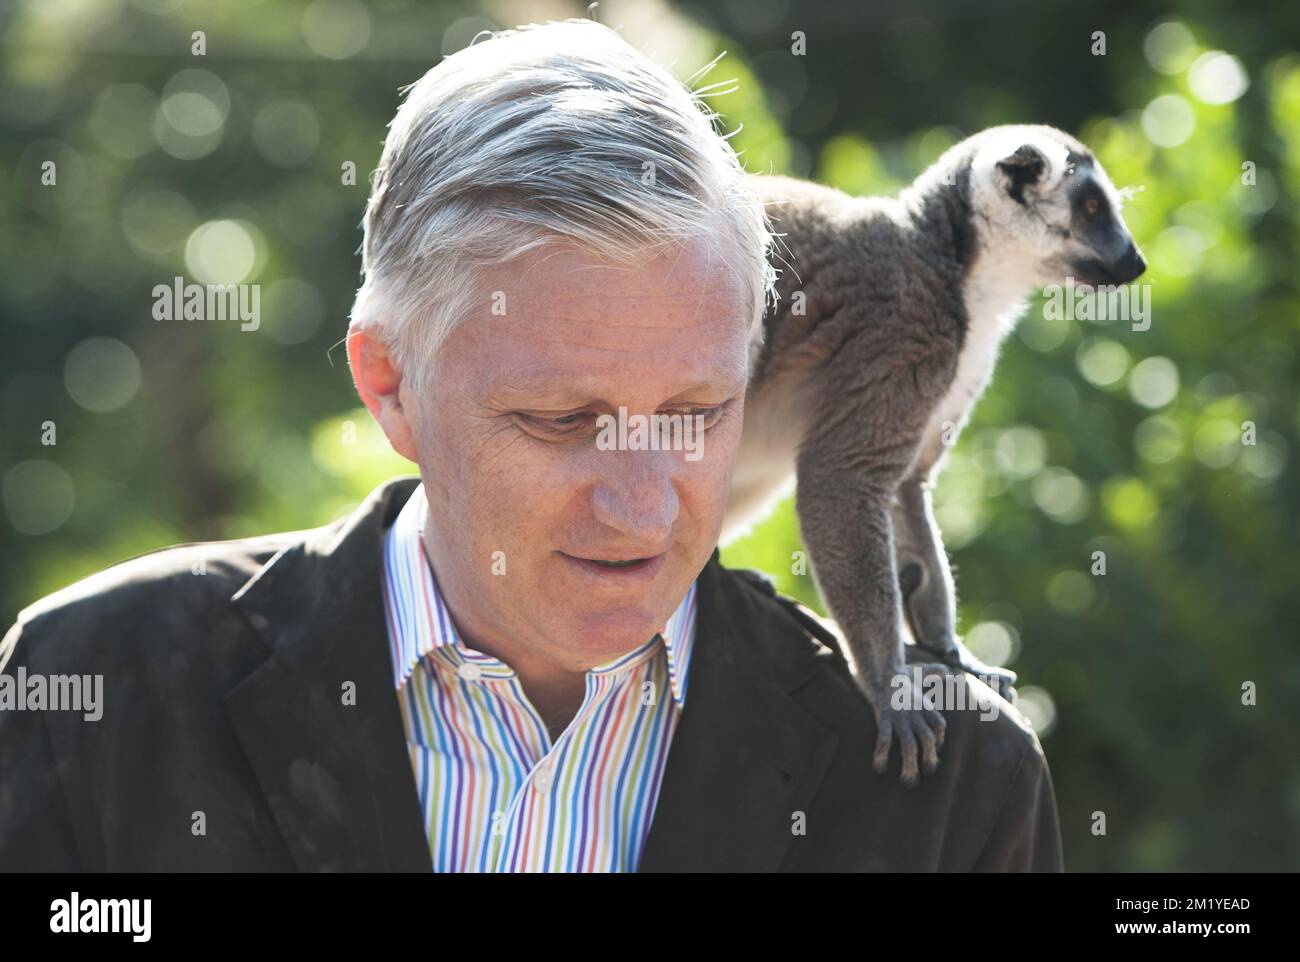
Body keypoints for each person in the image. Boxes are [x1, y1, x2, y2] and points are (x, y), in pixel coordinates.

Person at [0, 19, 1062, 871]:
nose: (644, 509)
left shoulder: (951, 789)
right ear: (390, 385)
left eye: (695, 412)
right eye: (562, 421)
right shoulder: (95, 692)